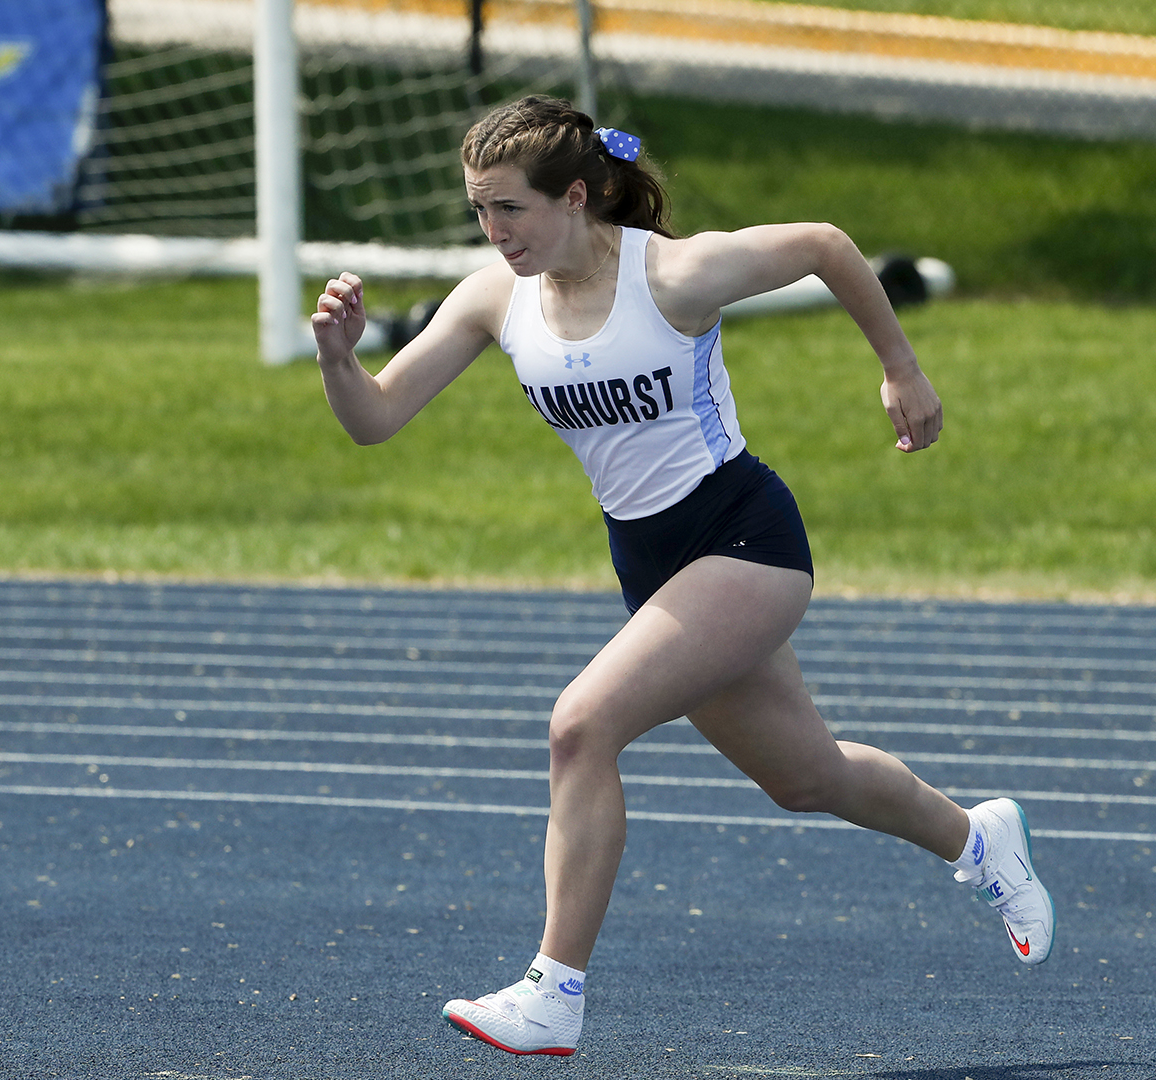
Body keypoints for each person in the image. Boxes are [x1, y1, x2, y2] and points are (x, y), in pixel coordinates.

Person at [310, 95, 1054, 1058]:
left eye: (511, 210)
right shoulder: (495, 299)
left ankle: (554, 993)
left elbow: (827, 244)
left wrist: (901, 369)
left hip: (745, 541)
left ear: (575, 196)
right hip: (654, 566)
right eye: (479, 212)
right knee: (806, 777)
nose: (494, 233)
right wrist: (337, 360)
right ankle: (978, 838)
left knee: (581, 725)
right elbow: (374, 419)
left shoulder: (674, 274)